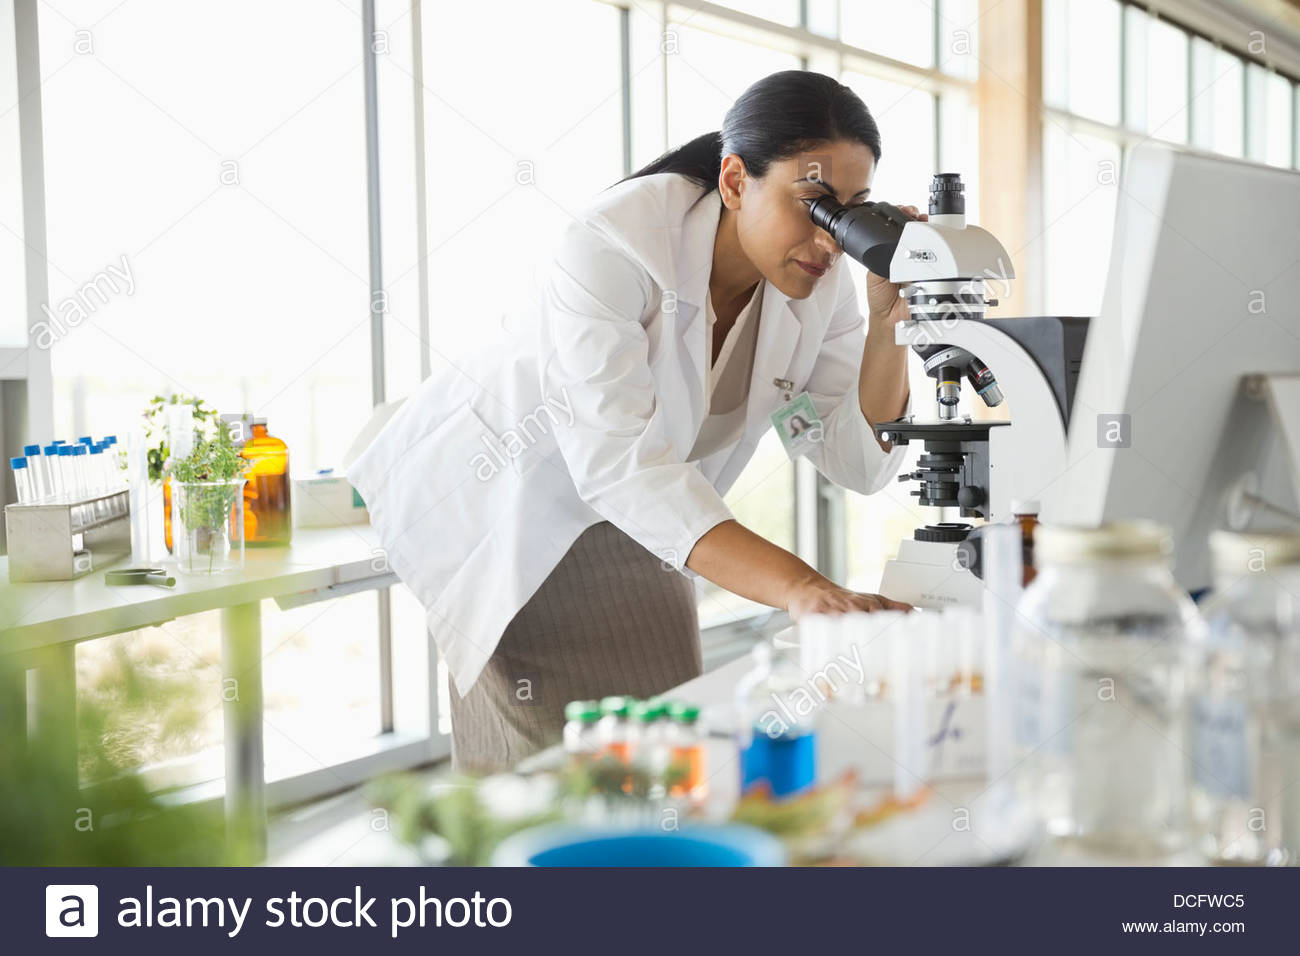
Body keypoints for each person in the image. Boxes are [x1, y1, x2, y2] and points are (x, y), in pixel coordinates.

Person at [348, 69, 924, 771]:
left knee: (664, 754)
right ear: (737, 181)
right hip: (515, 502)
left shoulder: (817, 280)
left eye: (853, 209)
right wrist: (804, 588)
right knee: (561, 771)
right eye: (814, 202)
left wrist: (889, 325)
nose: (831, 237)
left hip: (648, 509)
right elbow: (621, 464)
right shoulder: (614, 244)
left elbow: (854, 461)